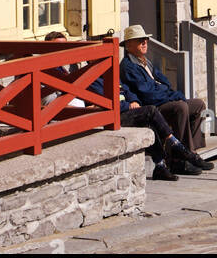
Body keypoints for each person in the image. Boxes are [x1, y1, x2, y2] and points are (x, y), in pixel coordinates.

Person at [43, 32, 187, 181]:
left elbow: (125, 89)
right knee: (150, 111)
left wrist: (133, 101)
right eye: (58, 47)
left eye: (65, 46)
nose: (62, 50)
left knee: (148, 118)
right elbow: (102, 98)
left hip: (118, 109)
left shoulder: (105, 70)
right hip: (107, 114)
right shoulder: (85, 74)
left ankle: (161, 164)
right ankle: (176, 146)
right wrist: (127, 105)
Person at [119, 25, 214, 172]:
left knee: (199, 105)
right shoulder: (128, 66)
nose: (145, 43)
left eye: (145, 39)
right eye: (140, 40)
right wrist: (172, 95)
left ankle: (191, 152)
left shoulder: (145, 61)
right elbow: (149, 95)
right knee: (180, 107)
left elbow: (165, 83)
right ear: (128, 45)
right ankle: (178, 160)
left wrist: (169, 93)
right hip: (152, 107)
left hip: (163, 99)